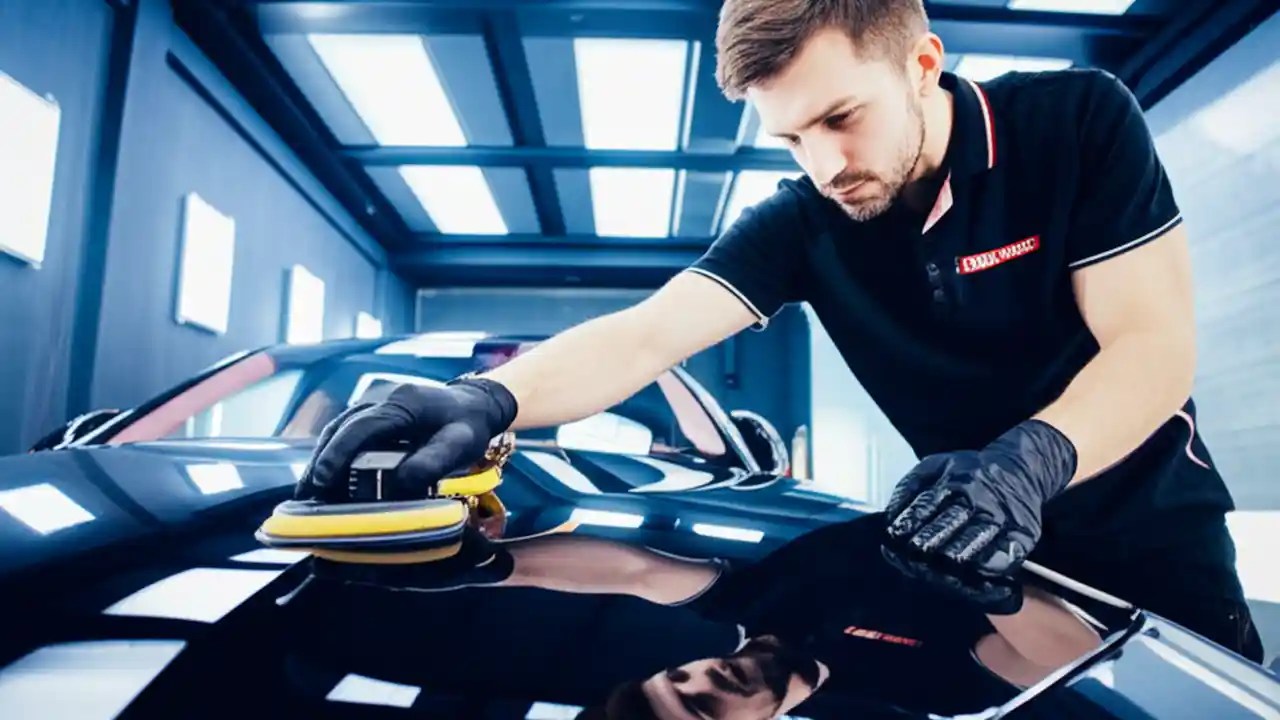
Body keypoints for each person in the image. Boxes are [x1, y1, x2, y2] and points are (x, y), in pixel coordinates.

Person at [294, 0, 1263, 661]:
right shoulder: (801, 219)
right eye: (791, 138)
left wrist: (1028, 461)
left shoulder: (1072, 121)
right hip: (961, 564)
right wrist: (486, 399)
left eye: (841, 117)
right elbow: (641, 338)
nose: (823, 164)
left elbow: (1149, 342)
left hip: (1149, 552)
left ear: (922, 64)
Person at [310, 513, 1104, 718]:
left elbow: (632, 572)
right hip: (1070, 504)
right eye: (699, 708)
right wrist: (988, 585)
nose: (702, 677)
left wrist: (486, 567)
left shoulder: (756, 607)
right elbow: (1070, 652)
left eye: (677, 677)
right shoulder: (921, 692)